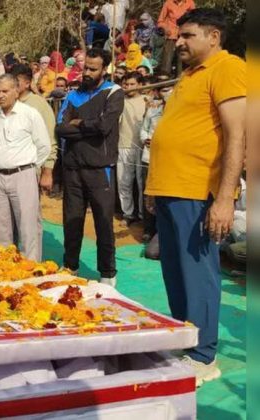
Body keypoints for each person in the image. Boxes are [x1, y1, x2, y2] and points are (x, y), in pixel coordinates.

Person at [145, 8, 245, 386]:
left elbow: (238, 135)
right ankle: (188, 341)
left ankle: (205, 355)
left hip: (197, 190)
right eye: (179, 35)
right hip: (169, 189)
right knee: (174, 272)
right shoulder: (189, 76)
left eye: (188, 35)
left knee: (199, 273)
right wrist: (153, 188)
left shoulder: (228, 68)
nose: (179, 42)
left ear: (214, 36)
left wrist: (224, 198)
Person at [55, 48, 124, 286]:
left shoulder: (113, 93)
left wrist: (79, 123)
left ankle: (107, 273)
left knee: (103, 223)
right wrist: (87, 127)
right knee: (71, 221)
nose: (87, 72)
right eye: (86, 67)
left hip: (100, 169)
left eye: (93, 69)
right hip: (73, 169)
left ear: (104, 70)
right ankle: (71, 266)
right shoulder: (72, 95)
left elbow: (105, 126)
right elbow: (60, 128)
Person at [0, 75, 51, 262]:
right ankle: (5, 269)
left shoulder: (29, 114)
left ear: (16, 91)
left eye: (5, 91)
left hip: (23, 175)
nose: (0, 95)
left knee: (27, 227)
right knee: (1, 227)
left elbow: (44, 146)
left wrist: (30, 168)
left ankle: (31, 269)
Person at [10, 64, 58, 196]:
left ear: (27, 83)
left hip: (30, 171)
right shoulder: (6, 104)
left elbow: (50, 140)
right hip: (7, 172)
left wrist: (47, 172)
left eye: (16, 81)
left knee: (28, 214)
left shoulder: (39, 105)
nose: (12, 85)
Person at [139, 83, 172, 241]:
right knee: (148, 194)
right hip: (149, 158)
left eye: (171, 89)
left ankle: (163, 231)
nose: (168, 93)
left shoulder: (179, 114)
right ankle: (148, 229)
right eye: (164, 90)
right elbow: (143, 130)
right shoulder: (153, 111)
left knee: (165, 195)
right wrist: (146, 139)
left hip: (170, 161)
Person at [116, 72, 147, 226]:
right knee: (124, 182)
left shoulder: (147, 101)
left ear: (140, 85)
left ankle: (143, 215)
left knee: (142, 184)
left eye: (132, 84)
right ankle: (127, 213)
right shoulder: (119, 101)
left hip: (143, 147)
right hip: (123, 145)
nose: (128, 87)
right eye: (126, 84)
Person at [157, 0, 195, 75]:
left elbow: (194, 18)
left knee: (182, 59)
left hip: (184, 34)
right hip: (171, 35)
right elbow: (160, 21)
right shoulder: (168, 3)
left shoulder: (190, 3)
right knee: (167, 59)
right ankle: (164, 81)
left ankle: (181, 79)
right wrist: (165, 28)